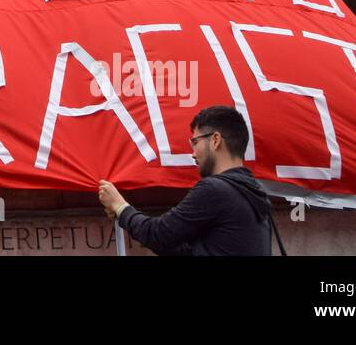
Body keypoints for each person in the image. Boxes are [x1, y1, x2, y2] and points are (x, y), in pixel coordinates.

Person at [97, 105, 277, 256]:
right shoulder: (255, 193)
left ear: (215, 140)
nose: (192, 153)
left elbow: (158, 234)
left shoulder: (215, 190)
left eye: (195, 142)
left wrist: (120, 207)